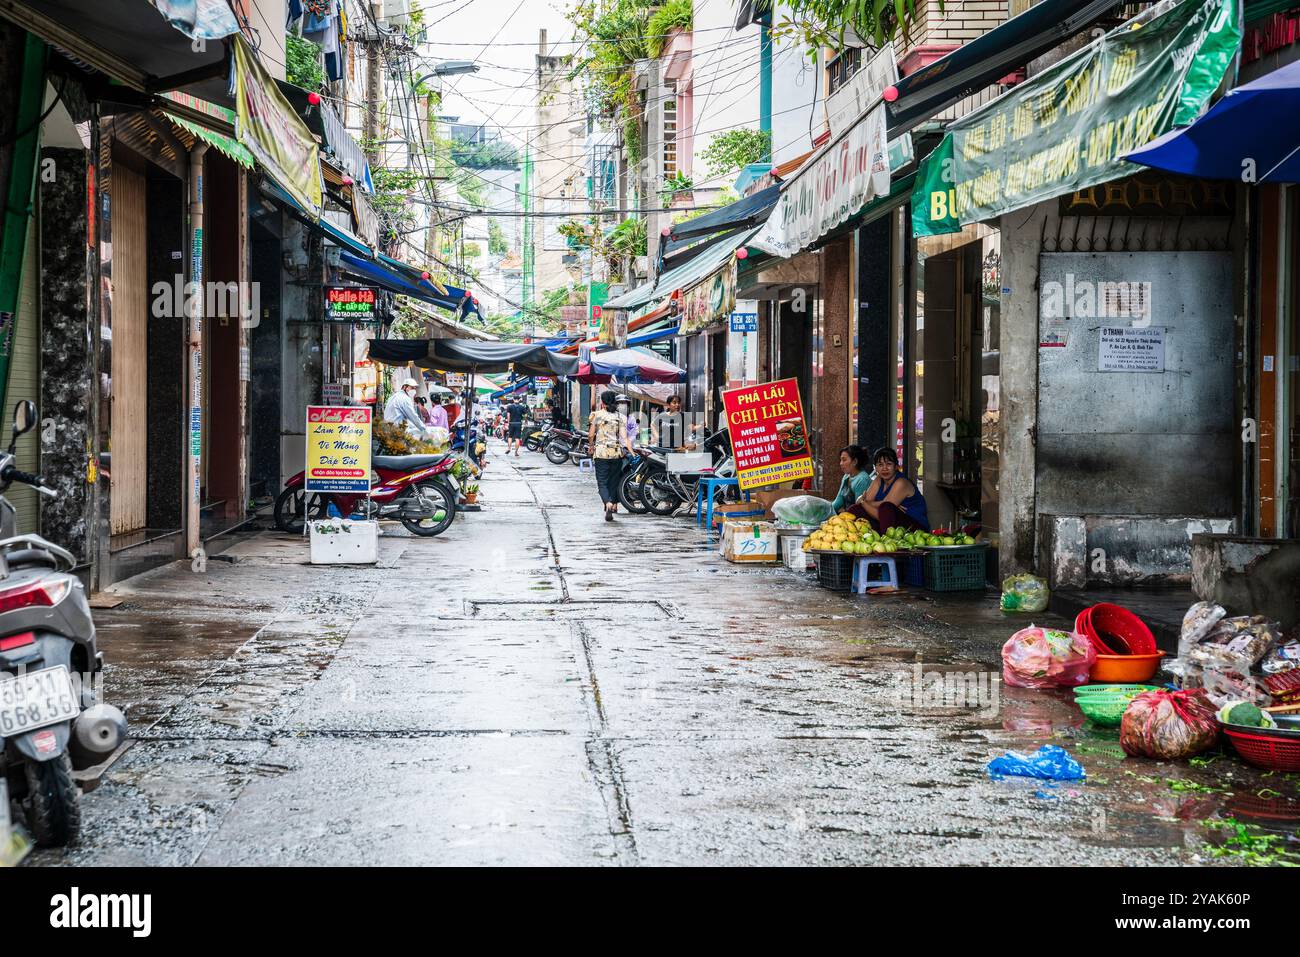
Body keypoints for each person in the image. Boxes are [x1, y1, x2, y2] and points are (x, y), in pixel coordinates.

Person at [849, 446, 929, 533]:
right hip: (890, 523)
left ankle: (886, 542)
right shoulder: (879, 479)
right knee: (855, 509)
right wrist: (864, 502)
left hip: (915, 527)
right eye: (880, 465)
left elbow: (882, 512)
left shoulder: (901, 482)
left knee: (886, 507)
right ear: (875, 468)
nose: (884, 468)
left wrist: (864, 502)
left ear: (896, 466)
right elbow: (862, 502)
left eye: (889, 464)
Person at [589, 390, 634, 521]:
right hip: (616, 454)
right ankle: (613, 505)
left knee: (602, 482)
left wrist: (591, 446)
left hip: (601, 453)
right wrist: (632, 452)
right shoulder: (619, 417)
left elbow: (591, 435)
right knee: (613, 482)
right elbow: (624, 439)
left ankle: (607, 503)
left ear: (602, 402)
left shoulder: (597, 415)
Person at [831, 445, 873, 513]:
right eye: (840, 460)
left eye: (844, 460)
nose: (841, 463)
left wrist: (843, 512)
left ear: (854, 462)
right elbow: (838, 502)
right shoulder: (846, 476)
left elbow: (858, 509)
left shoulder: (862, 479)